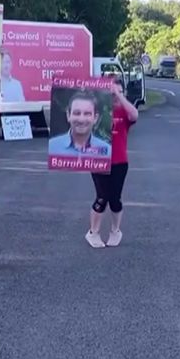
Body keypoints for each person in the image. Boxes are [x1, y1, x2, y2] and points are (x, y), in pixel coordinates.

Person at [85, 82, 139, 248]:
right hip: (99, 159)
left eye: (119, 91)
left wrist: (119, 95)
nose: (115, 95)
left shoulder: (124, 110)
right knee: (102, 197)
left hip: (120, 161)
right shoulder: (98, 111)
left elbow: (135, 115)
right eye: (112, 92)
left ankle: (116, 231)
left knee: (115, 199)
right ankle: (93, 232)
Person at [48, 92, 111, 157]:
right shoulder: (52, 147)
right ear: (68, 115)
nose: (81, 120)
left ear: (95, 118)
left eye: (87, 114)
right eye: (77, 113)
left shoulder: (107, 151)